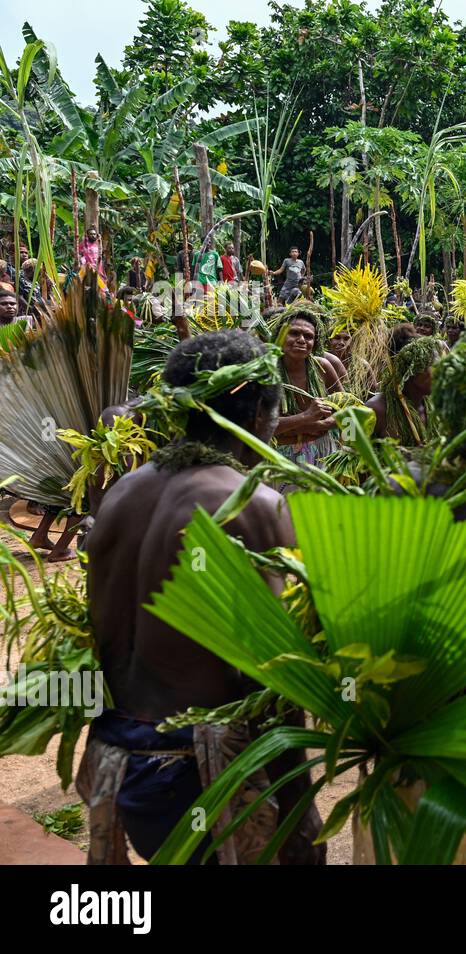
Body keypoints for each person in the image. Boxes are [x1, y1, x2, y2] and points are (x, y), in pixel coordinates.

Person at [76, 330, 324, 864]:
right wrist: (298, 805)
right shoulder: (253, 503)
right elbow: (272, 671)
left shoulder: (123, 492)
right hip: (201, 767)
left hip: (116, 761)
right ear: (260, 412)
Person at [273, 310, 344, 475]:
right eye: (294, 333)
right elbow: (260, 424)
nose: (301, 340)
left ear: (315, 343)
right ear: (280, 336)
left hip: (323, 453)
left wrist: (325, 424)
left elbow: (347, 410)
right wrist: (306, 419)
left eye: (308, 336)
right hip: (279, 458)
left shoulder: (323, 367)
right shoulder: (266, 371)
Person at [366, 323, 442, 445]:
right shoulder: (374, 410)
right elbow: (350, 451)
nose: (440, 373)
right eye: (432, 366)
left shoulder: (435, 406)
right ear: (410, 371)